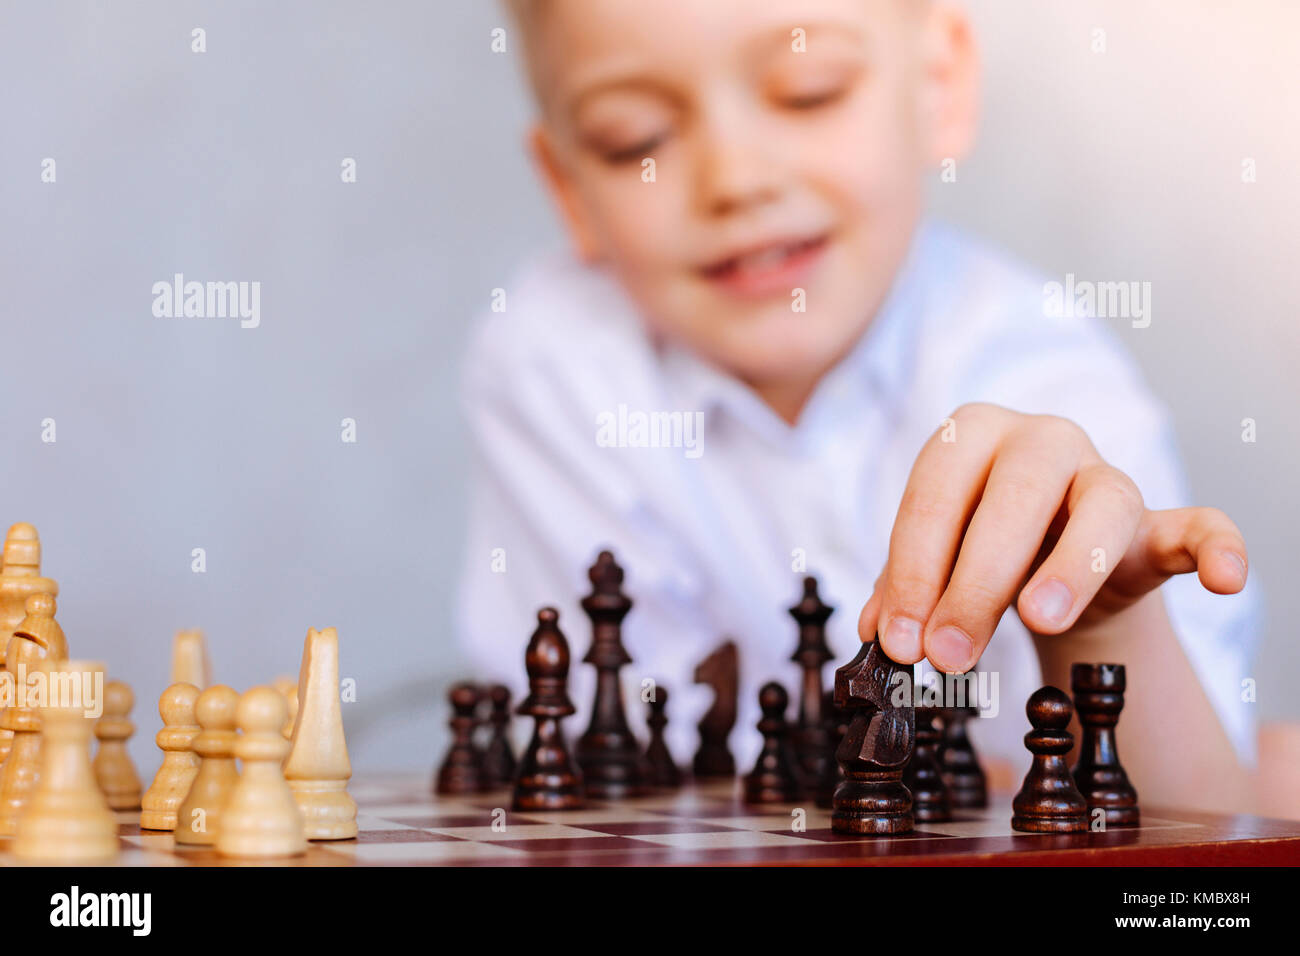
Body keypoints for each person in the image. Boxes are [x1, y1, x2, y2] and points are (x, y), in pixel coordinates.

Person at [457, 0, 1256, 810]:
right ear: (568, 186)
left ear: (937, 85)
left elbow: (1202, 840)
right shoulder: (554, 368)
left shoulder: (1047, 377)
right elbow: (627, 795)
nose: (737, 179)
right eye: (636, 139)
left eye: (810, 91)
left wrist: (1103, 622)